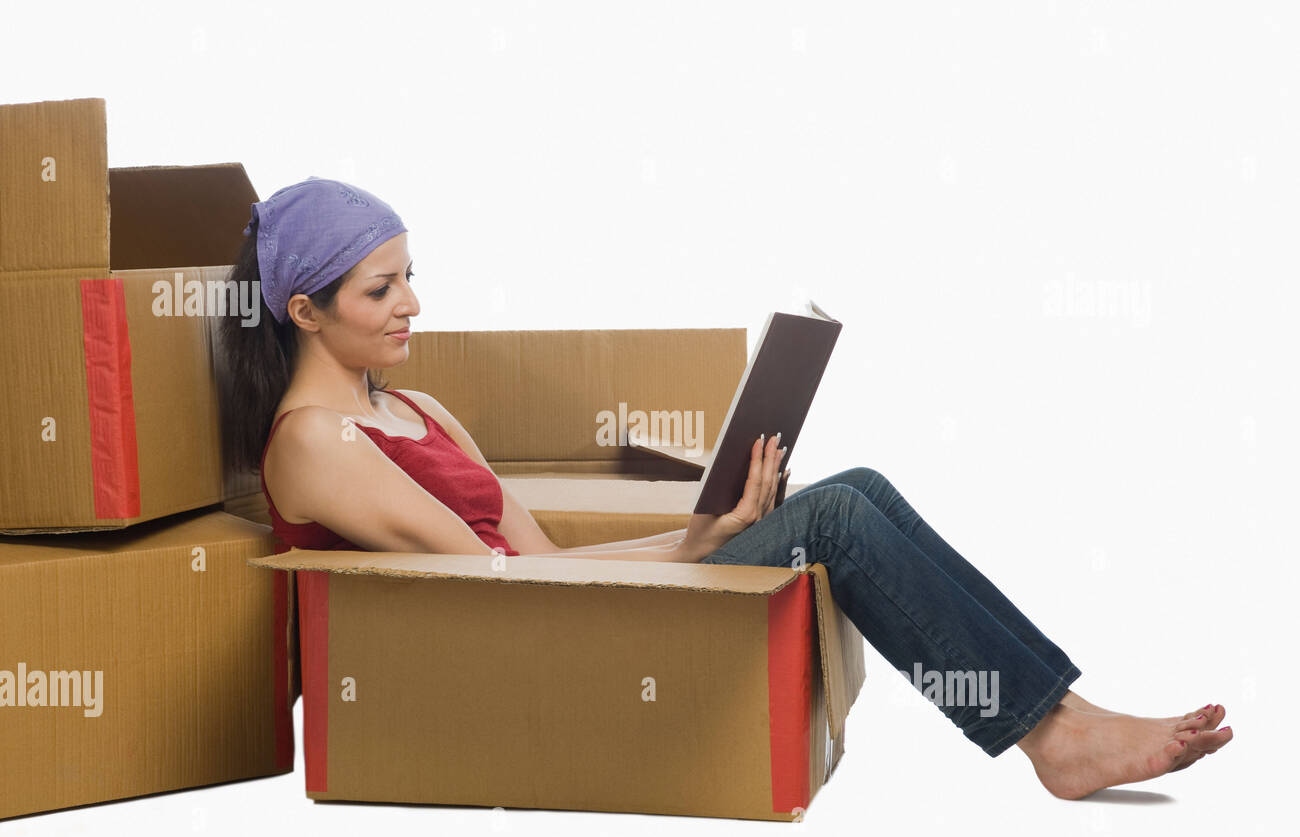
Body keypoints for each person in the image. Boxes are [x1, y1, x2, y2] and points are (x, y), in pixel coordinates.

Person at [217, 177, 1233, 802]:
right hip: (525, 658)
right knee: (831, 517)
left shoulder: (422, 409)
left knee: (855, 485)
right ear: (304, 309)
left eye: (410, 276)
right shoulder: (314, 443)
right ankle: (1055, 741)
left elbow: (545, 566)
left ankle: (1064, 713)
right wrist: (696, 552)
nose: (412, 305)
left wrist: (702, 538)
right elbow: (505, 590)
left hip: (557, 607)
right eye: (380, 288)